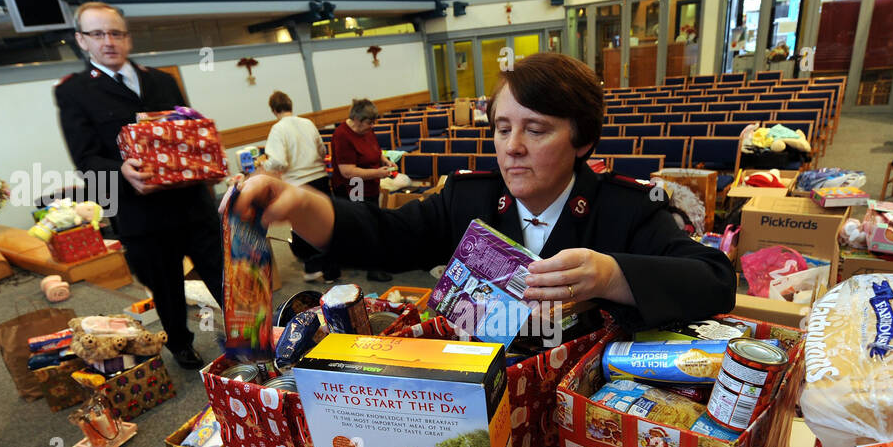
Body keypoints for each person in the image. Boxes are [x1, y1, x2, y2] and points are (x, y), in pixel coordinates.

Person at [231, 52, 735, 329]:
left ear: (582, 140)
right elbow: (383, 236)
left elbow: (714, 280)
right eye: (501, 128)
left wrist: (610, 274)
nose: (512, 147)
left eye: (535, 130)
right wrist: (299, 204)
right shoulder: (469, 199)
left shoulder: (627, 208)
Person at [55, 1, 222, 370]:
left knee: (222, 273)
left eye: (115, 33)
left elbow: (187, 132)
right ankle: (180, 344)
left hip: (192, 203)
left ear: (128, 38)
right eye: (97, 34)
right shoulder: (74, 92)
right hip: (140, 213)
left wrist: (206, 157)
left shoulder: (162, 80)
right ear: (81, 41)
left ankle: (250, 334)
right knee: (166, 287)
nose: (108, 41)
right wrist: (122, 170)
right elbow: (86, 159)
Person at [263, 90, 339, 283]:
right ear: (291, 105)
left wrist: (264, 164)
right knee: (326, 223)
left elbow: (279, 161)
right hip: (320, 178)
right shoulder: (308, 123)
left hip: (298, 183)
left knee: (304, 228)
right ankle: (332, 271)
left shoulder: (278, 129)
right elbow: (322, 151)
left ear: (273, 110)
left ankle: (313, 268)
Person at [330, 98, 393, 283]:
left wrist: (384, 160)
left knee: (372, 222)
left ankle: (365, 261)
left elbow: (374, 150)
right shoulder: (342, 135)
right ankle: (372, 268)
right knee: (366, 226)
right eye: (369, 123)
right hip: (353, 188)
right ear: (356, 119)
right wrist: (377, 172)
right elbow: (347, 171)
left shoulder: (366, 129)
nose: (372, 126)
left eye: (373, 122)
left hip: (370, 185)